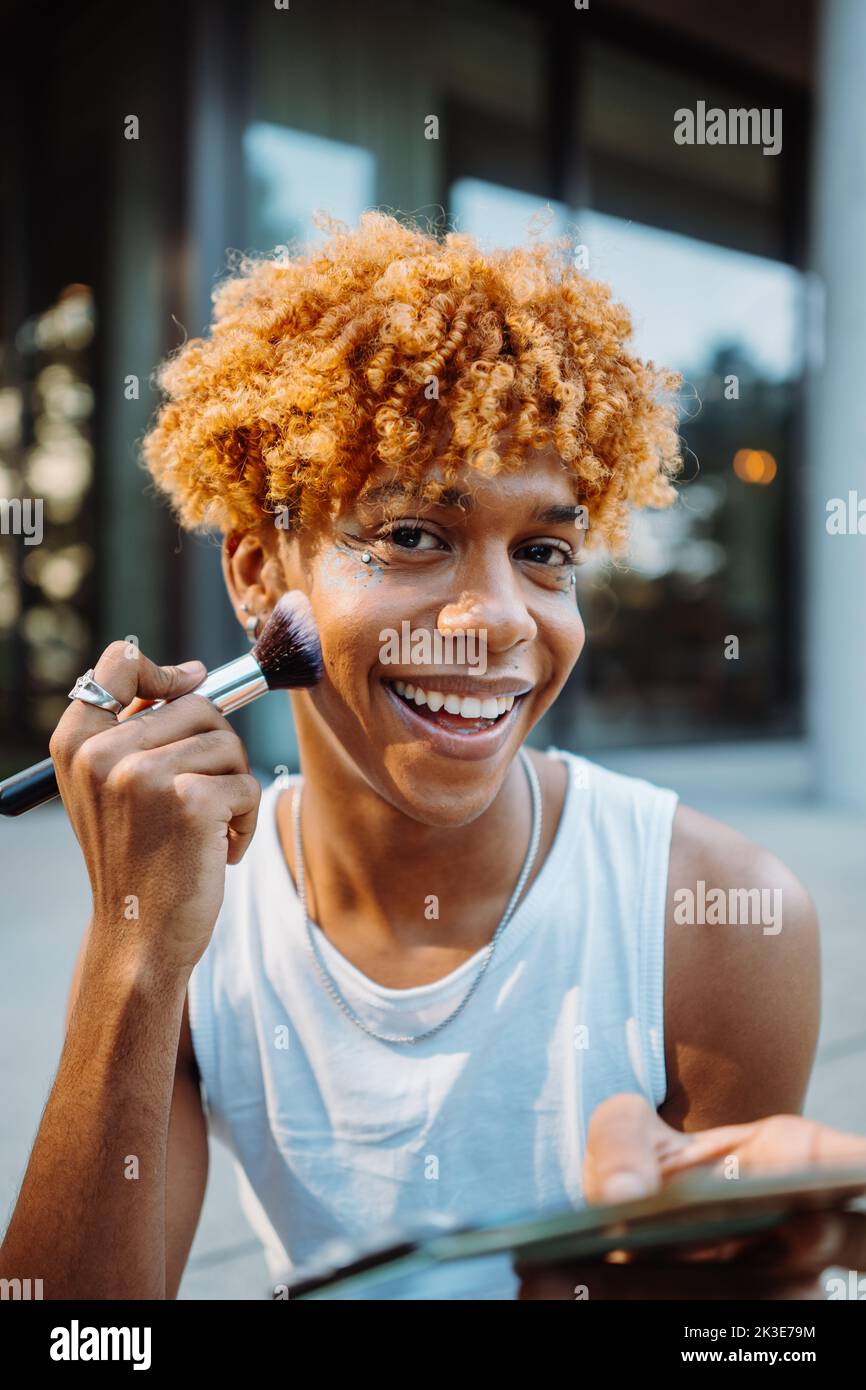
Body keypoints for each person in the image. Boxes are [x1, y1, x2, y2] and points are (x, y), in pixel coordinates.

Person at [1, 211, 863, 1300]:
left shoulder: (715, 917)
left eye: (543, 551)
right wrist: (131, 952)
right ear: (259, 574)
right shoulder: (191, 909)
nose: (498, 618)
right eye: (411, 534)